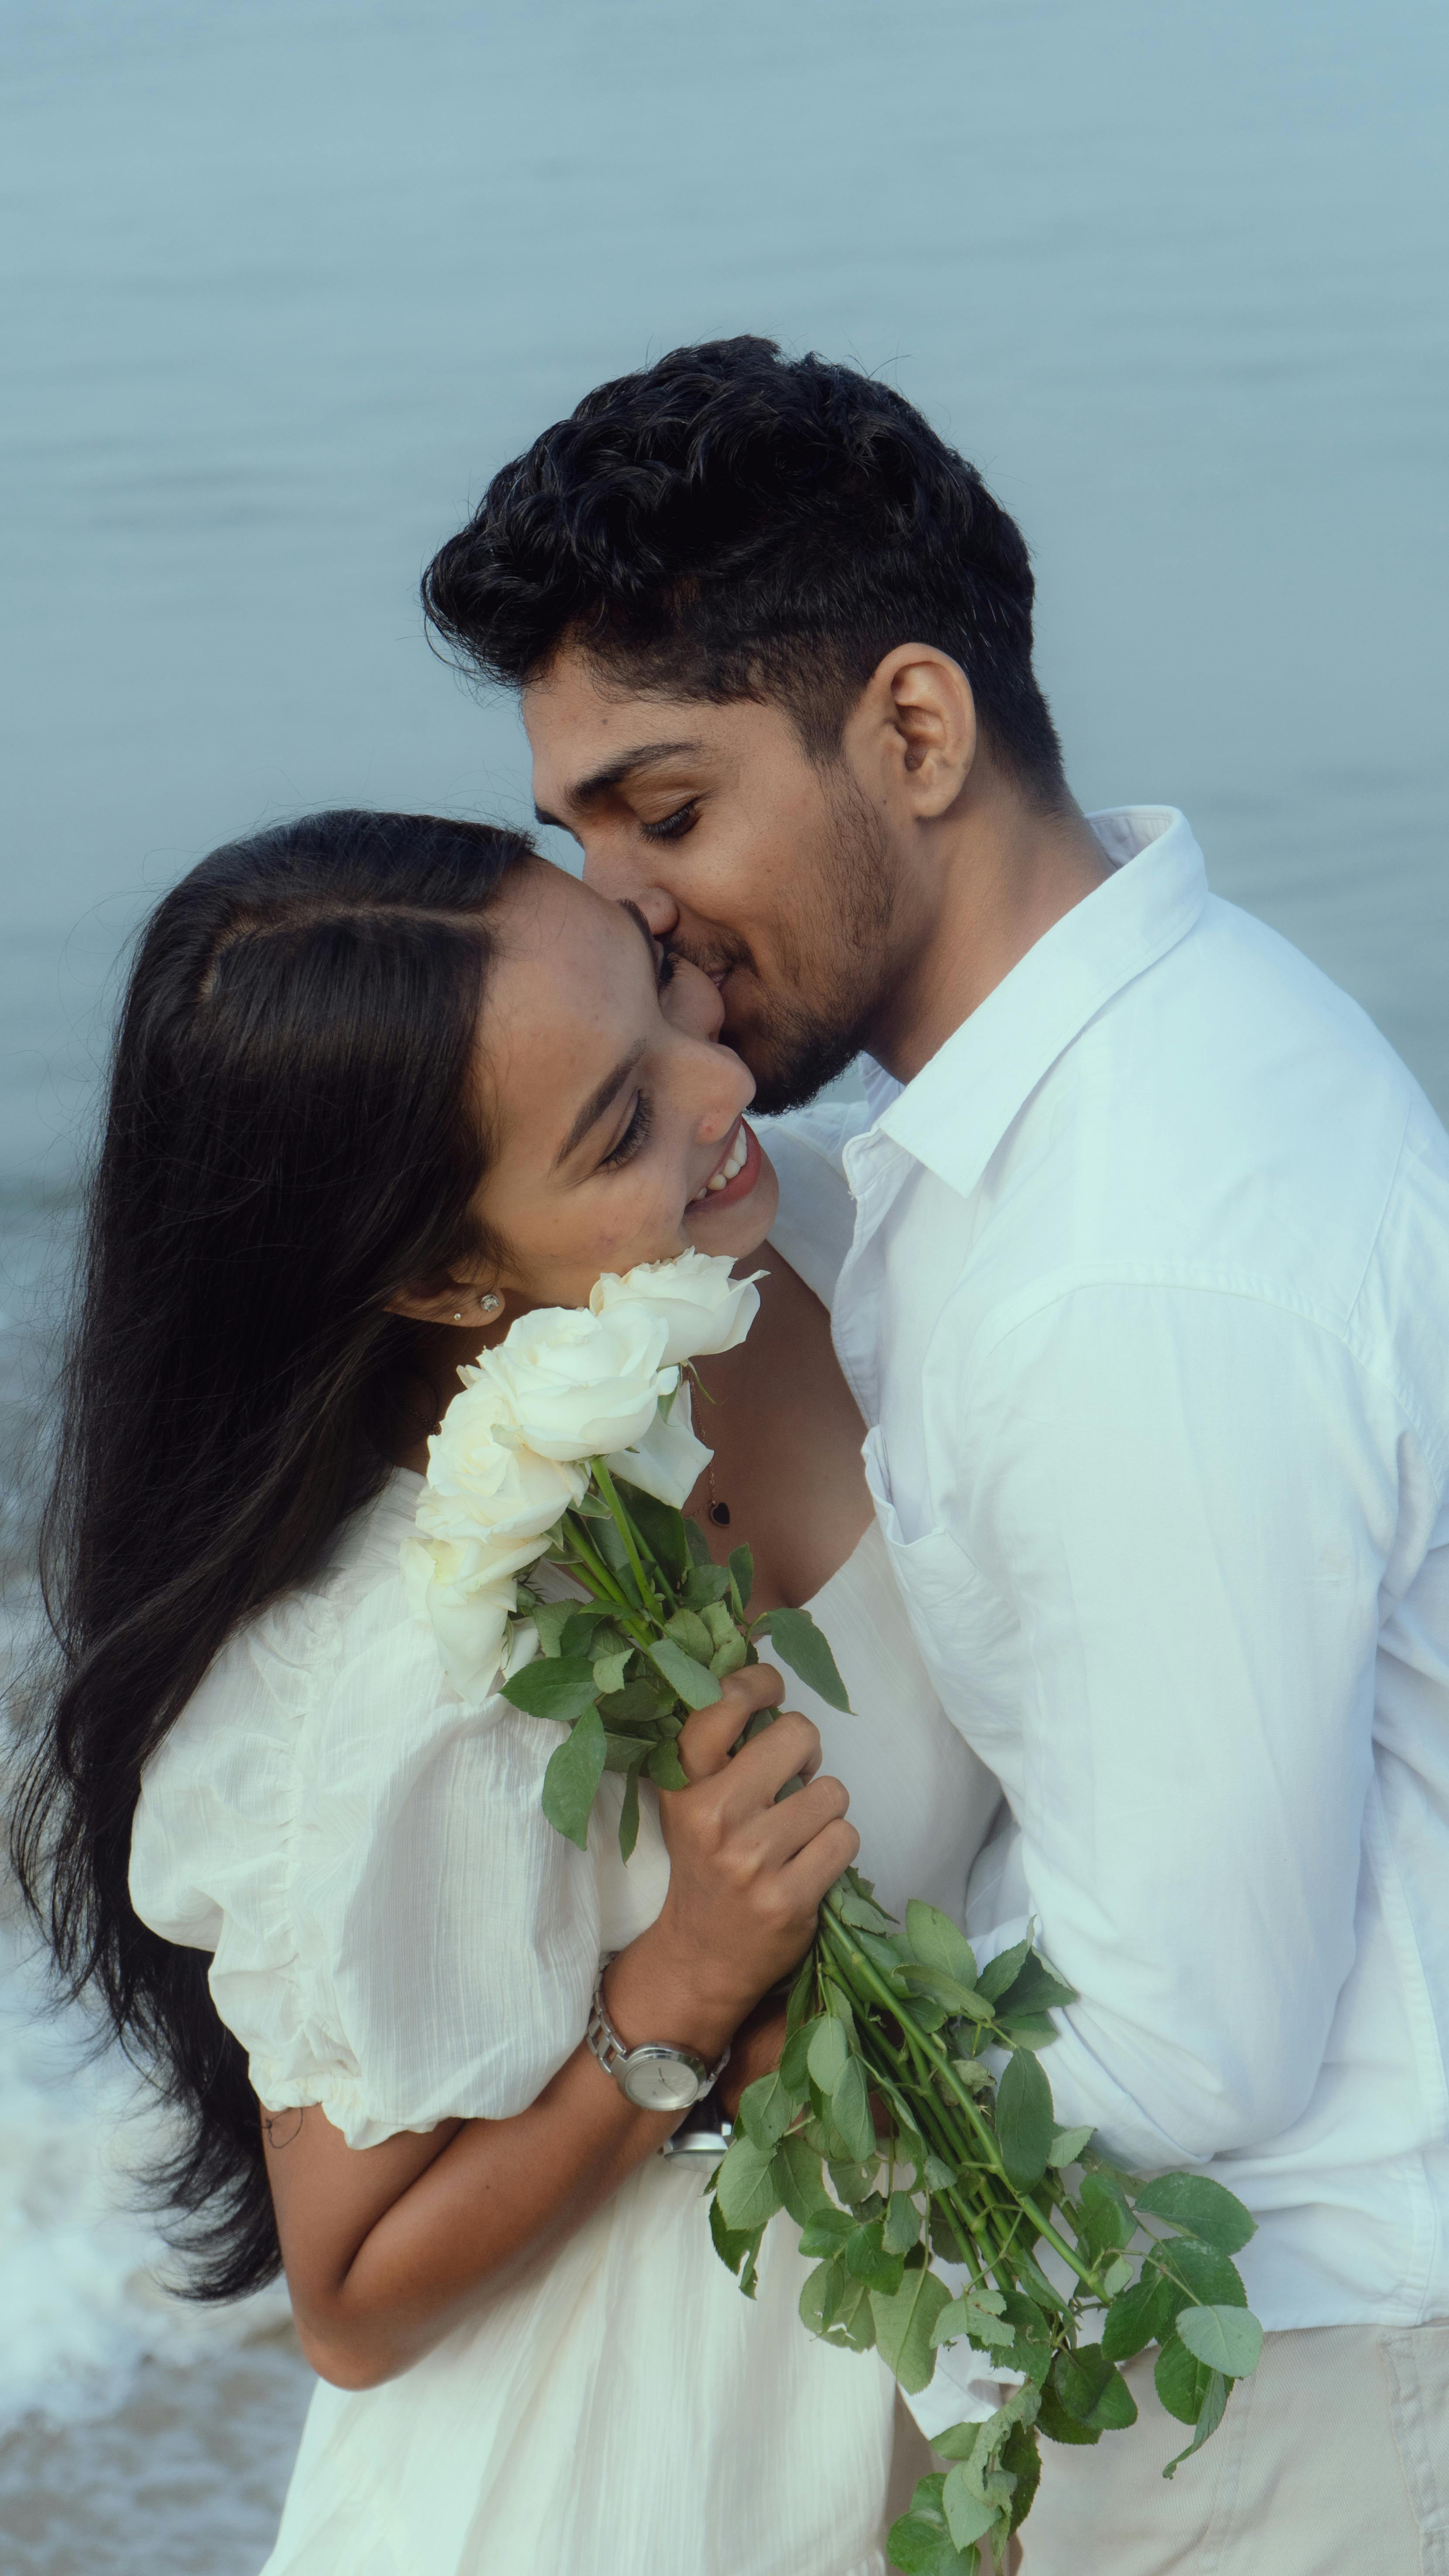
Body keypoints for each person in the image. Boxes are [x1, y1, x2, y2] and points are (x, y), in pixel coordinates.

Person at [423, 335, 1449, 2574]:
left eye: (669, 813)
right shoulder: (1086, 1105)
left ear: (913, 727)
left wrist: (735, 2069)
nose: (626, 913)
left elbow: (1187, 2042)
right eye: (577, 837)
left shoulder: (1133, 1259)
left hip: (1298, 2399)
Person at [11, 807, 1004, 2576]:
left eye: (665, 1002)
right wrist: (679, 1991)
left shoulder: (866, 1255)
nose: (721, 1094)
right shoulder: (374, 1673)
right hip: (608, 2495)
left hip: (935, 2409)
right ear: (445, 1271)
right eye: (620, 1122)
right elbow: (353, 2304)